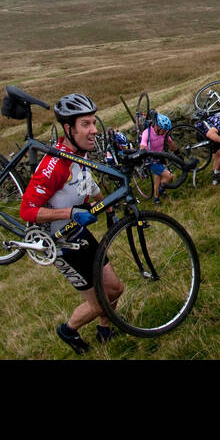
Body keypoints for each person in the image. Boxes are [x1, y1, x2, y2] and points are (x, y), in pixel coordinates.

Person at [19, 92, 123, 355]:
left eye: (93, 123)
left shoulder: (79, 155)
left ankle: (104, 330)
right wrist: (70, 213)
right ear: (69, 129)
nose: (93, 130)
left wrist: (107, 204)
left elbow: (87, 183)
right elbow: (27, 210)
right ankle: (68, 330)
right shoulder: (55, 164)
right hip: (60, 245)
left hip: (78, 232)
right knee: (100, 302)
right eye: (85, 125)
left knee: (115, 289)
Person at [139, 111, 181, 204]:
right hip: (150, 161)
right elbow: (143, 143)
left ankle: (156, 199)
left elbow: (170, 143)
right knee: (169, 176)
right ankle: (161, 190)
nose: (165, 132)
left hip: (160, 158)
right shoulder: (147, 133)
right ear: (157, 126)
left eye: (166, 130)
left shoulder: (164, 133)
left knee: (158, 178)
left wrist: (177, 153)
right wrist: (143, 150)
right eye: (163, 129)